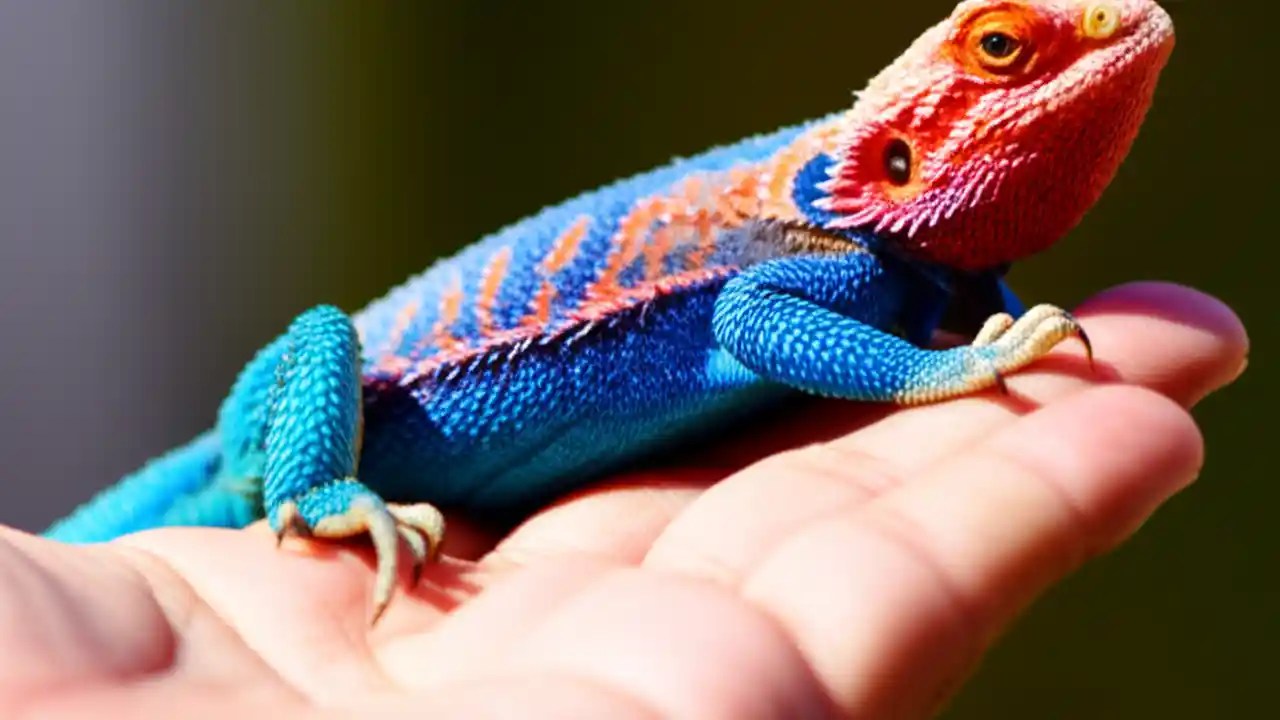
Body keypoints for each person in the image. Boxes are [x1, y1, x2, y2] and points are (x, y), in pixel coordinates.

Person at [0, 283, 1248, 719]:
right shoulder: (829, 242)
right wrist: (946, 371)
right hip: (297, 438)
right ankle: (316, 480)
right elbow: (757, 319)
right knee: (324, 331)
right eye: (998, 49)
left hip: (450, 469)